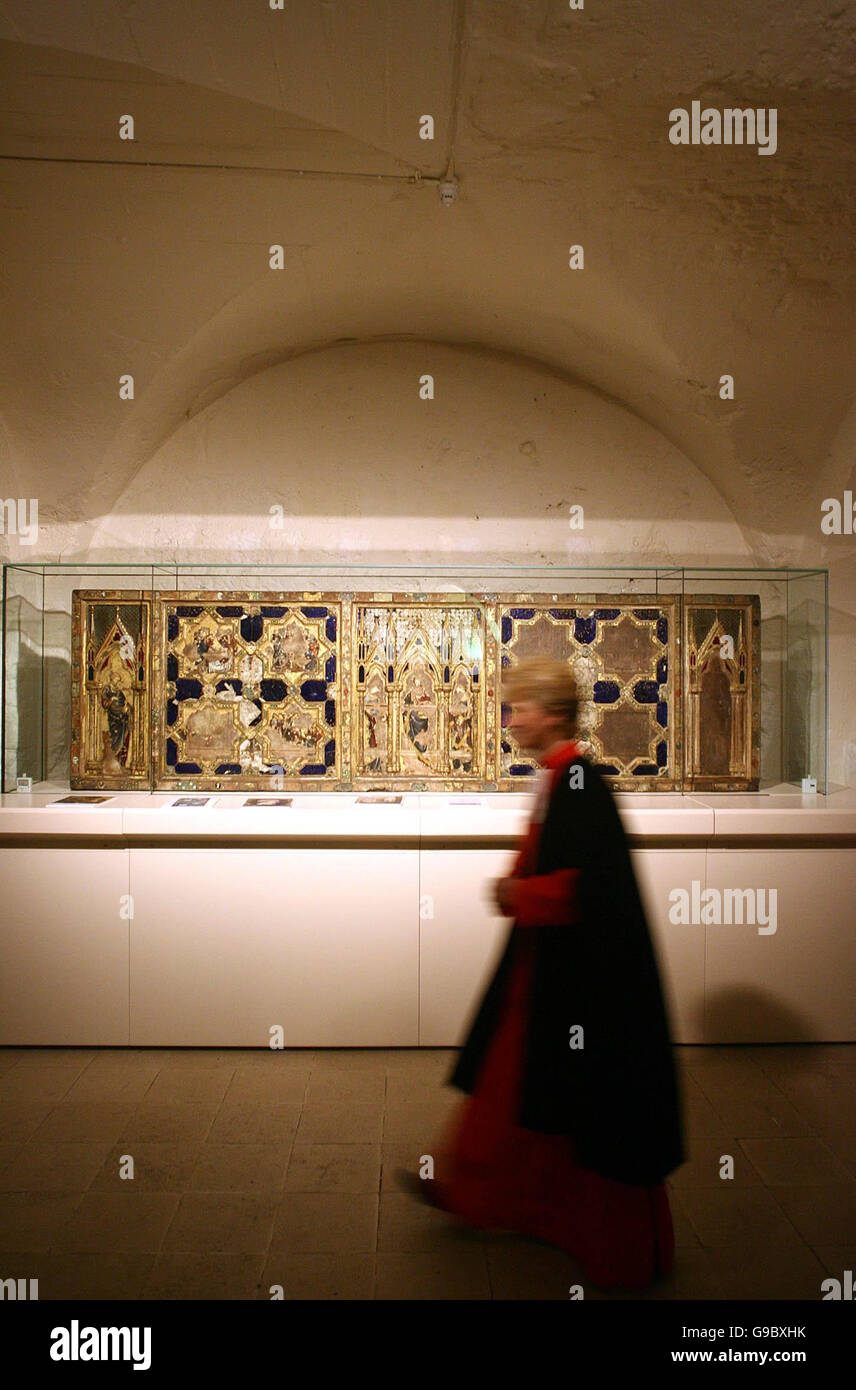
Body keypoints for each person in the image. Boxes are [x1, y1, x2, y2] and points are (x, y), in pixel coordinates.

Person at [398, 657, 684, 1290]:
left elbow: (588, 887)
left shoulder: (579, 781)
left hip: (580, 980)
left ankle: (601, 1240)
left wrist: (514, 895)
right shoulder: (561, 778)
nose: (509, 719)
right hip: (550, 970)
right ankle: (484, 1196)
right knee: (517, 1081)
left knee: (565, 1097)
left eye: (517, 707)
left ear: (551, 713)